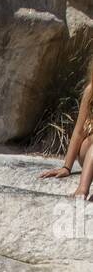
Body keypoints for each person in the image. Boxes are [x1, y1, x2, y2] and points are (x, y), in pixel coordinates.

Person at [40, 60, 93, 198]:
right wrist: (67, 167)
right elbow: (79, 131)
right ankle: (82, 190)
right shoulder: (91, 91)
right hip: (89, 151)